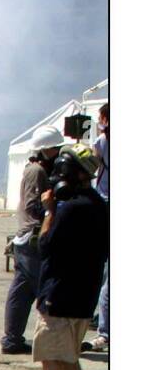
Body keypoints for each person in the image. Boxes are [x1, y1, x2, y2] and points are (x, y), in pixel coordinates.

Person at [21, 143, 108, 370]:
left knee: (50, 354)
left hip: (59, 293)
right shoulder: (100, 206)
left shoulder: (68, 209)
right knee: (66, 349)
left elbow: (45, 245)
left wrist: (49, 212)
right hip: (85, 294)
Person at [1, 125, 63, 354]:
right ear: (46, 150)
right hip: (34, 239)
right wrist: (51, 206)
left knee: (21, 291)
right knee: (46, 290)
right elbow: (33, 206)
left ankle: (12, 339)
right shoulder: (37, 172)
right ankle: (55, 342)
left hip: (26, 239)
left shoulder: (32, 169)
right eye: (55, 148)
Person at [86, 103, 109, 352]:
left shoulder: (102, 140)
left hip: (104, 202)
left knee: (102, 270)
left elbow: (91, 167)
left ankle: (103, 330)